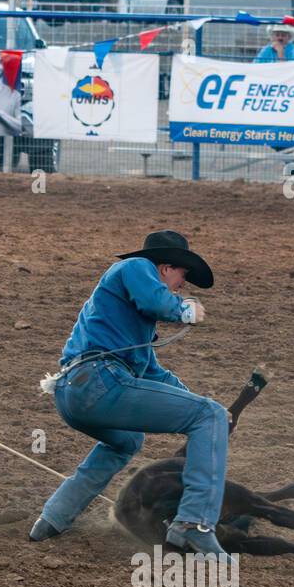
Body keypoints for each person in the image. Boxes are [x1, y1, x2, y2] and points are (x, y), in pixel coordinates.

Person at [29, 230, 230, 557]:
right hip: (99, 382)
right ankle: (194, 525)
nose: (183, 283)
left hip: (73, 392)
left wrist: (193, 404)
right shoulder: (136, 267)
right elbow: (157, 301)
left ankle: (53, 518)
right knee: (211, 414)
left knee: (128, 440)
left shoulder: (129, 318)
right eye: (182, 274)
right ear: (165, 268)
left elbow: (151, 372)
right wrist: (185, 309)